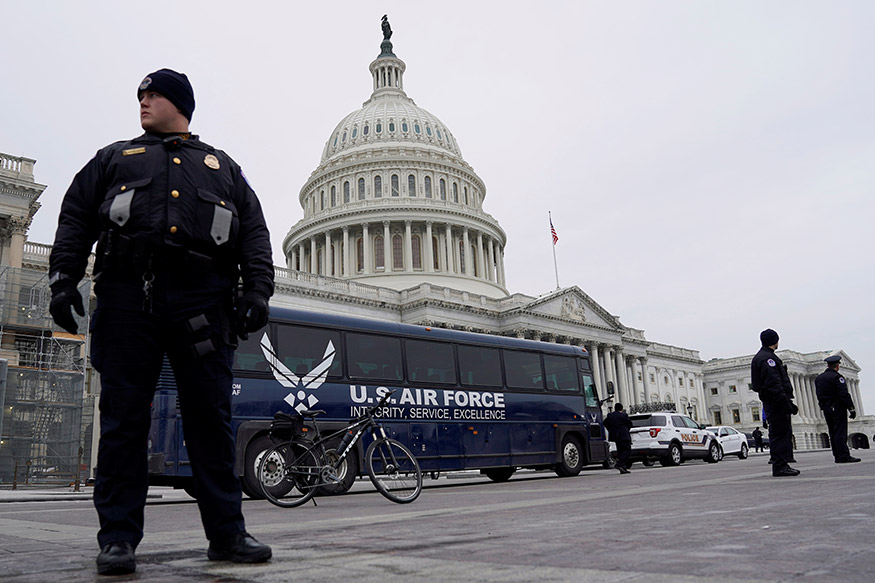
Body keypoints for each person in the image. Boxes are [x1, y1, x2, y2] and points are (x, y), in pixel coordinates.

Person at [48, 68, 274, 575]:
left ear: (179, 103)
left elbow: (254, 234)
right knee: (124, 421)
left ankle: (228, 535)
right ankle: (118, 540)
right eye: (141, 94)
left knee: (210, 423)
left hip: (202, 303)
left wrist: (257, 291)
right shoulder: (115, 158)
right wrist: (63, 279)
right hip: (130, 298)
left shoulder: (224, 169)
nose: (143, 101)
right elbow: (76, 215)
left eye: (153, 94)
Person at [750, 329, 800, 477]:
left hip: (771, 400)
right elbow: (774, 384)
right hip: (776, 401)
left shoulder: (761, 357)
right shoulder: (768, 359)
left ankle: (781, 464)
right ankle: (780, 466)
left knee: (778, 433)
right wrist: (787, 404)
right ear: (775, 341)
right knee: (780, 433)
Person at [815, 355, 860, 463]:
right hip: (837, 407)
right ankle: (844, 455)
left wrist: (823, 406)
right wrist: (851, 408)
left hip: (826, 408)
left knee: (833, 432)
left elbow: (819, 394)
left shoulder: (819, 378)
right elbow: (844, 394)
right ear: (837, 366)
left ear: (828, 365)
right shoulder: (837, 377)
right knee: (840, 432)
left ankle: (837, 456)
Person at [603, 403, 633, 474]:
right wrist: (626, 429)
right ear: (621, 409)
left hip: (615, 436)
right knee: (627, 450)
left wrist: (611, 429)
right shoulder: (623, 415)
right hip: (624, 435)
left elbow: (604, 423)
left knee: (620, 452)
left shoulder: (610, 416)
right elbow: (630, 424)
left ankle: (623, 468)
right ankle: (620, 464)